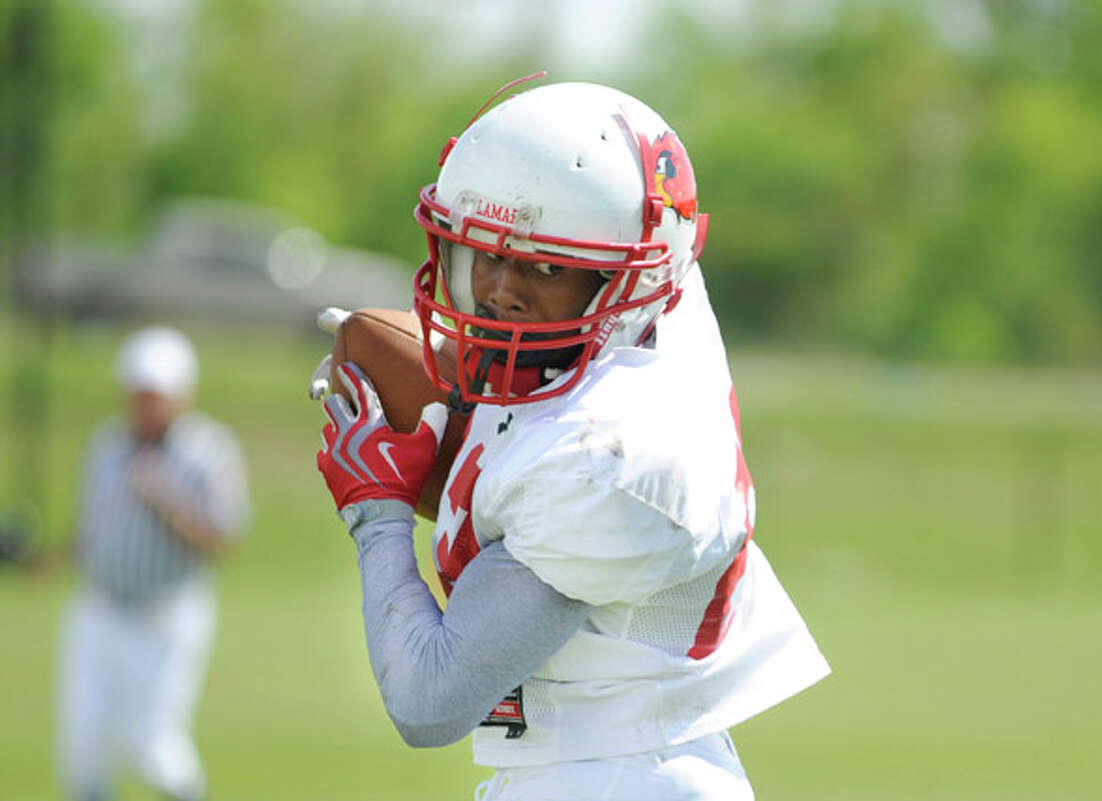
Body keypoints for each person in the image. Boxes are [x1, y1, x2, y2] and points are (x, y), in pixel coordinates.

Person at [315, 81, 829, 800]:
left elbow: (429, 699)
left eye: (548, 266)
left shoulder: (607, 456)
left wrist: (376, 511)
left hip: (609, 775)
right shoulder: (651, 306)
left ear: (630, 281)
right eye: (481, 253)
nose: (500, 290)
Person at [56, 326, 251, 801]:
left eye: (157, 395)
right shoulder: (107, 445)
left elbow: (224, 538)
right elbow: (94, 531)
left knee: (155, 747)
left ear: (182, 394)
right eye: (140, 394)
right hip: (99, 609)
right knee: (82, 744)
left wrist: (166, 502)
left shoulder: (209, 450)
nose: (147, 405)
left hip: (166, 615)